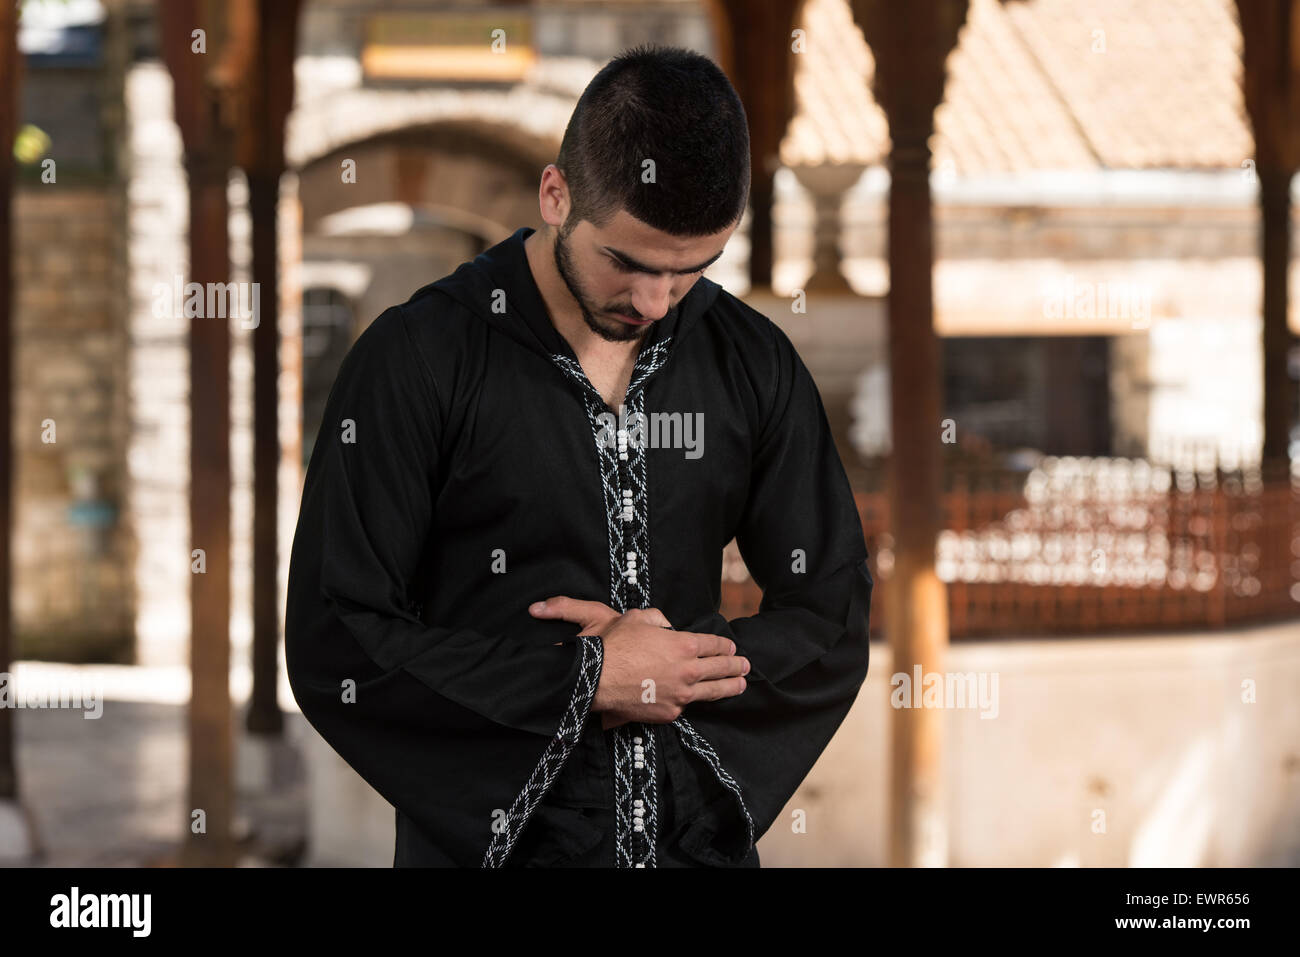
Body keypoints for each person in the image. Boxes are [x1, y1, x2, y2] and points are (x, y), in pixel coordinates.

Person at [284, 43, 873, 868]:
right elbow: (337, 637)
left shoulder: (751, 362)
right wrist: (586, 679)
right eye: (627, 263)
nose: (655, 301)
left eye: (692, 270)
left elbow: (831, 608)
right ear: (555, 193)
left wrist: (680, 668)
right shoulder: (419, 358)